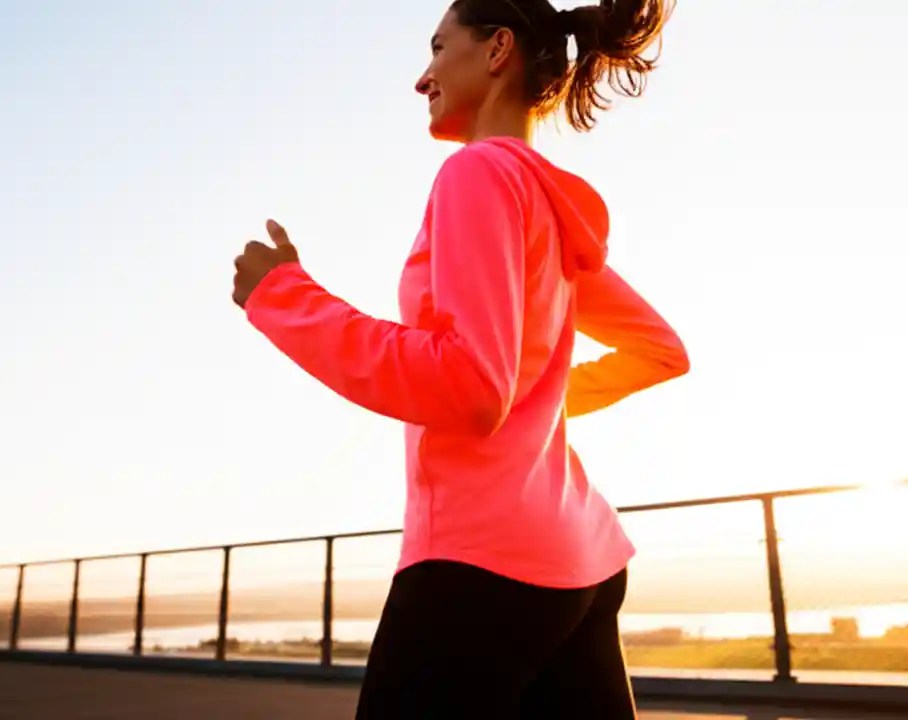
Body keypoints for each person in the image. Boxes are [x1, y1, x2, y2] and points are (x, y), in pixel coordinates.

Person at [231, 0, 686, 716]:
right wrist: (534, 407)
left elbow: (473, 385)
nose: (423, 76)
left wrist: (284, 298)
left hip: (479, 567)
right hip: (581, 561)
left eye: (440, 47)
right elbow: (659, 352)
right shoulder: (553, 217)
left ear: (498, 48)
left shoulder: (476, 175)